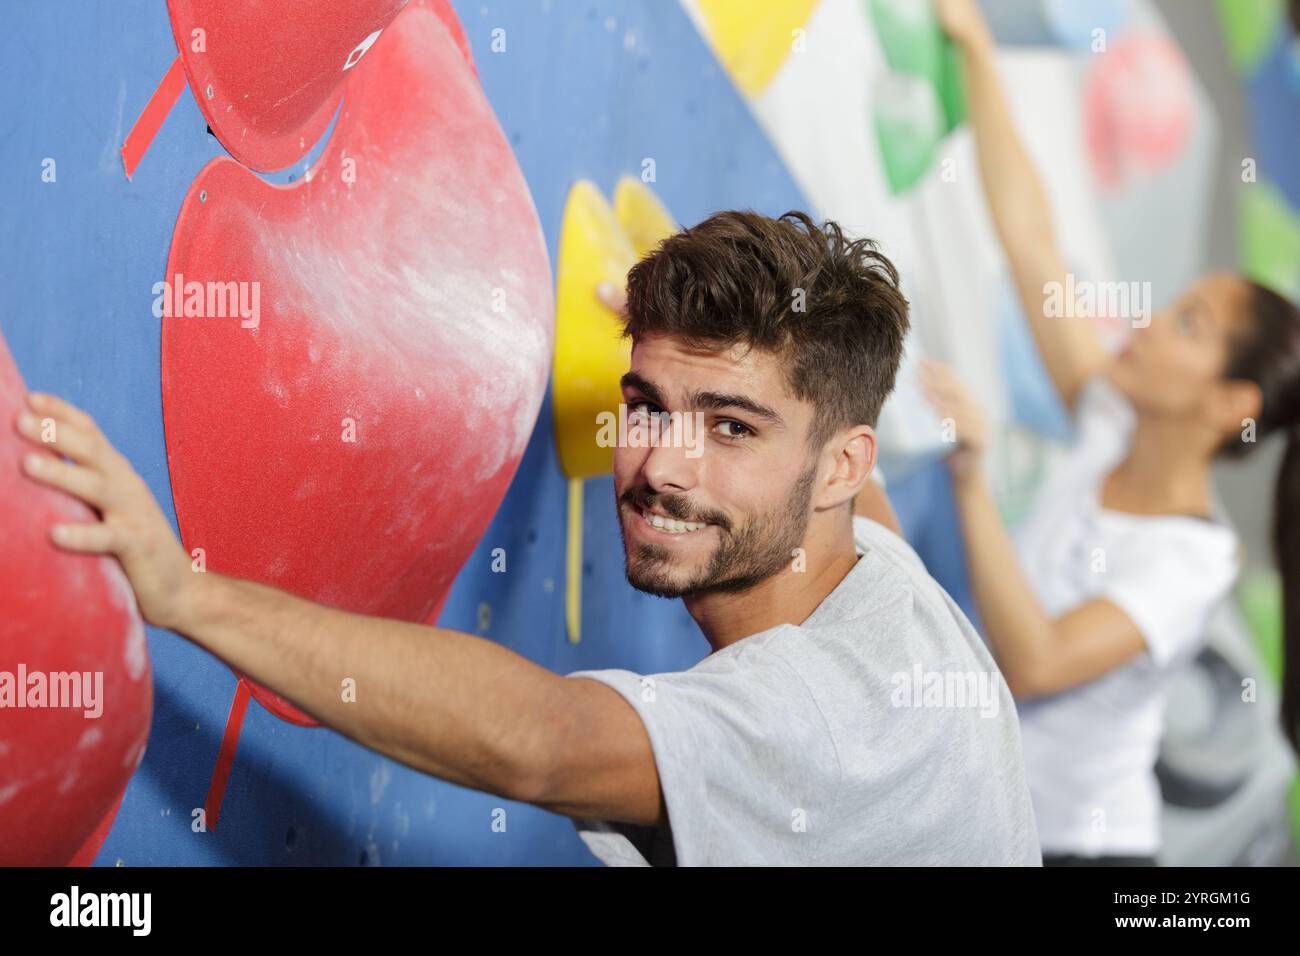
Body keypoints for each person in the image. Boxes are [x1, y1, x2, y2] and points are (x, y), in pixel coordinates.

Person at [15, 209, 1039, 865]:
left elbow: (544, 743)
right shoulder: (877, 575)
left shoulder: (814, 717)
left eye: (730, 426)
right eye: (646, 404)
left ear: (843, 465)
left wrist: (185, 593)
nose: (662, 462)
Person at [928, 0, 1300, 865]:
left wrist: (974, 483)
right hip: (991, 808)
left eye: (1188, 325)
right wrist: (980, 50)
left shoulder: (1189, 563)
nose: (1148, 322)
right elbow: (1031, 242)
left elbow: (1039, 662)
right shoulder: (1109, 416)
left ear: (1229, 403)